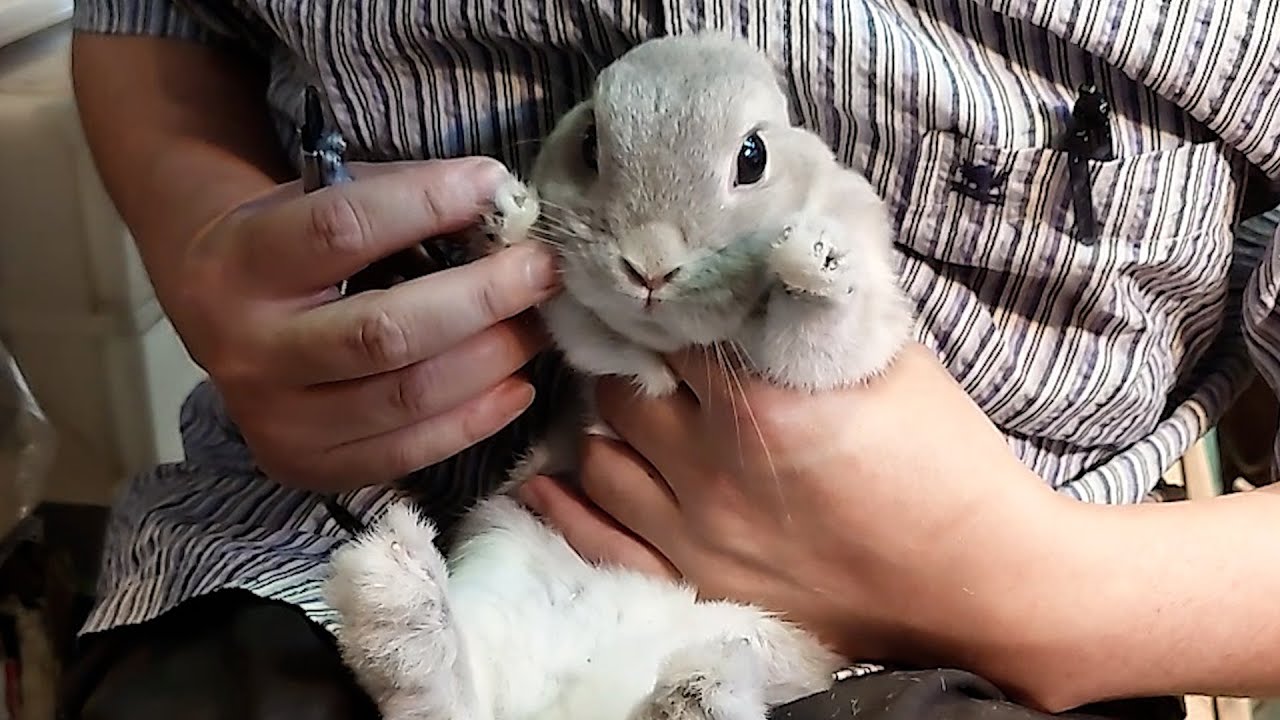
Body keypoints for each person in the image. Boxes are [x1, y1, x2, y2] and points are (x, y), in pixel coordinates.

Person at [53, 0, 1280, 718]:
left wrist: (1042, 591)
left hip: (983, 658)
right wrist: (203, 244)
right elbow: (155, 19)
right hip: (321, 546)